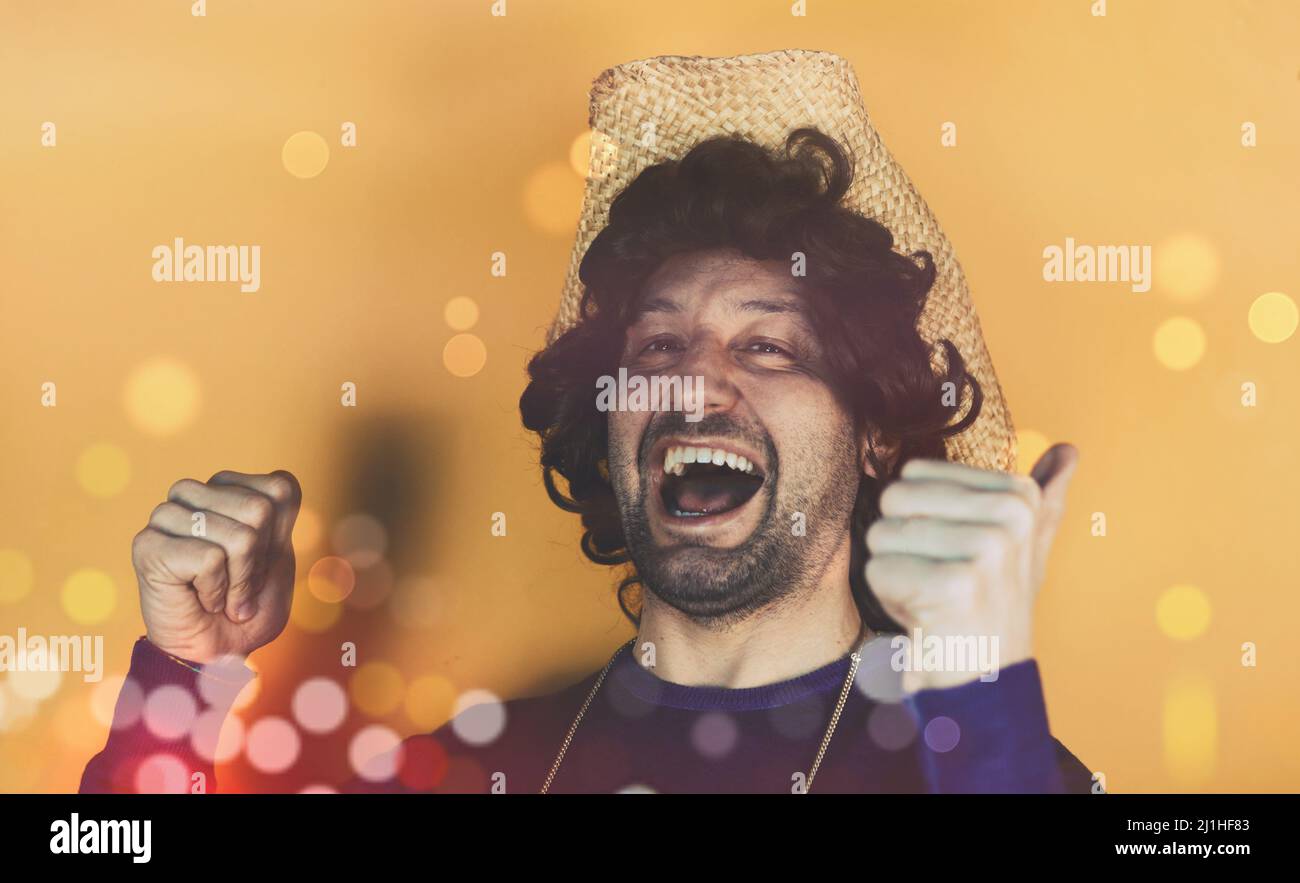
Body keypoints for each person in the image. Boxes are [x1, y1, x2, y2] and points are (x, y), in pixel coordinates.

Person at [82, 50, 1092, 795]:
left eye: (768, 347)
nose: (694, 386)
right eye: (655, 348)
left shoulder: (986, 754)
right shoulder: (469, 761)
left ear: (873, 432)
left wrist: (975, 693)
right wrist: (182, 677)